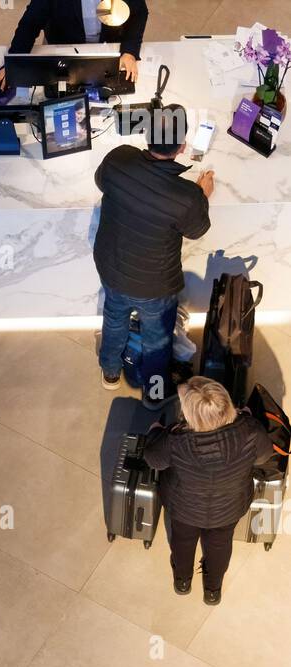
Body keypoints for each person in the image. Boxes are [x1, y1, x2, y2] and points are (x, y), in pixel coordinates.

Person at [93, 104, 213, 409]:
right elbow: (197, 230)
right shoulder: (187, 196)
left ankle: (109, 373)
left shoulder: (118, 159)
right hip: (155, 286)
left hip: (112, 269)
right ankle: (155, 393)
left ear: (146, 136)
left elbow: (101, 181)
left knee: (114, 319)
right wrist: (203, 195)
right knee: (157, 341)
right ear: (183, 147)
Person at [142, 377, 278, 605]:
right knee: (220, 544)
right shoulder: (250, 430)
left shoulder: (176, 440)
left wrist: (155, 430)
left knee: (182, 542)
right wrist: (248, 419)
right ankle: (213, 590)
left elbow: (153, 459)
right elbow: (264, 456)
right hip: (230, 507)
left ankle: (182, 581)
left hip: (184, 508)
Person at [0, 0, 147, 91]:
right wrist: (15, 62)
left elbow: (139, 13)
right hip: (64, 45)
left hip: (107, 45)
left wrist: (129, 52)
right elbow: (30, 24)